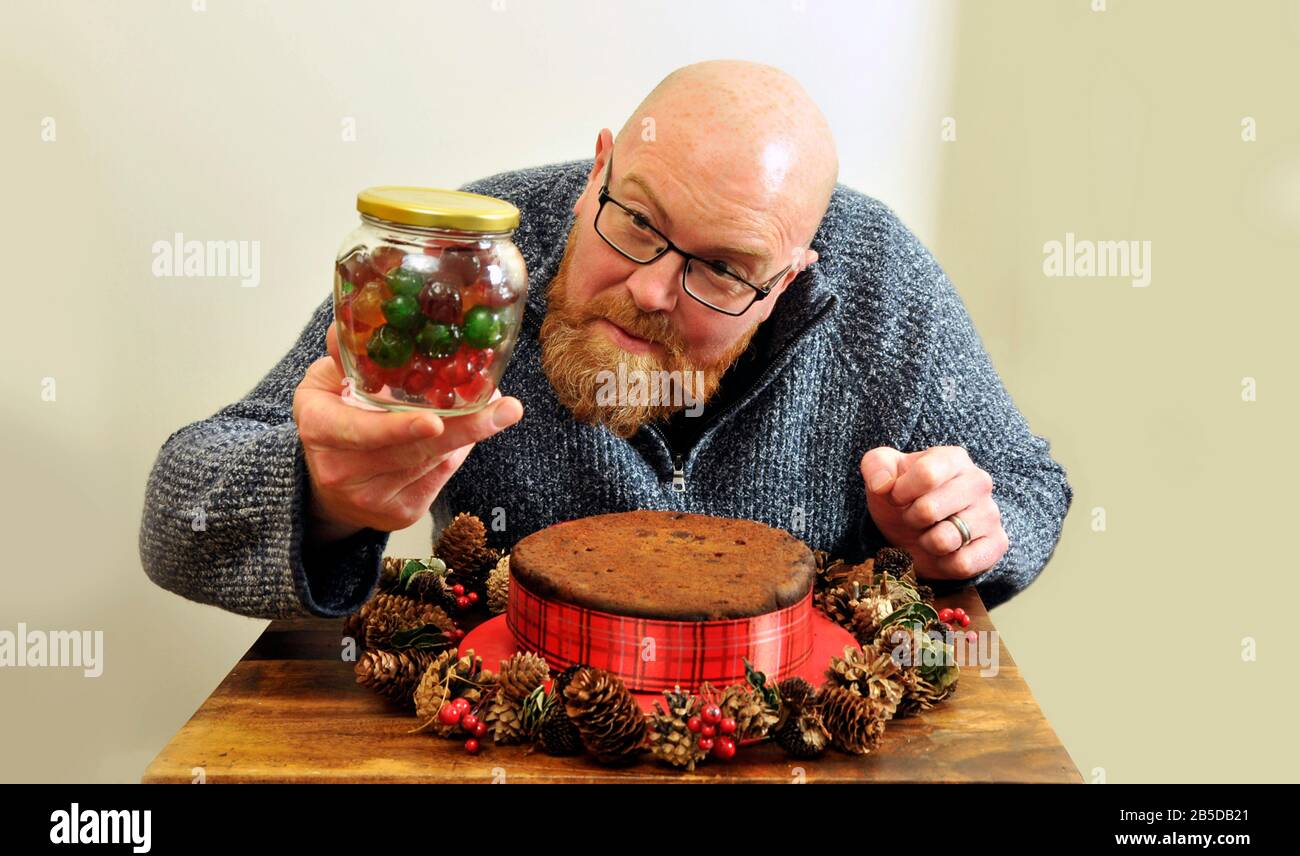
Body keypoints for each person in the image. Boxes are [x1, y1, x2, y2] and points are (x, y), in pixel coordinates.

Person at [139, 60, 1072, 618]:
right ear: (595, 173)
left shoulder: (879, 280)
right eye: (634, 219)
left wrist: (967, 530)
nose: (651, 288)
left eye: (720, 270)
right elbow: (178, 508)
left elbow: (1029, 487)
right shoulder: (464, 268)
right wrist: (321, 495)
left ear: (787, 280)